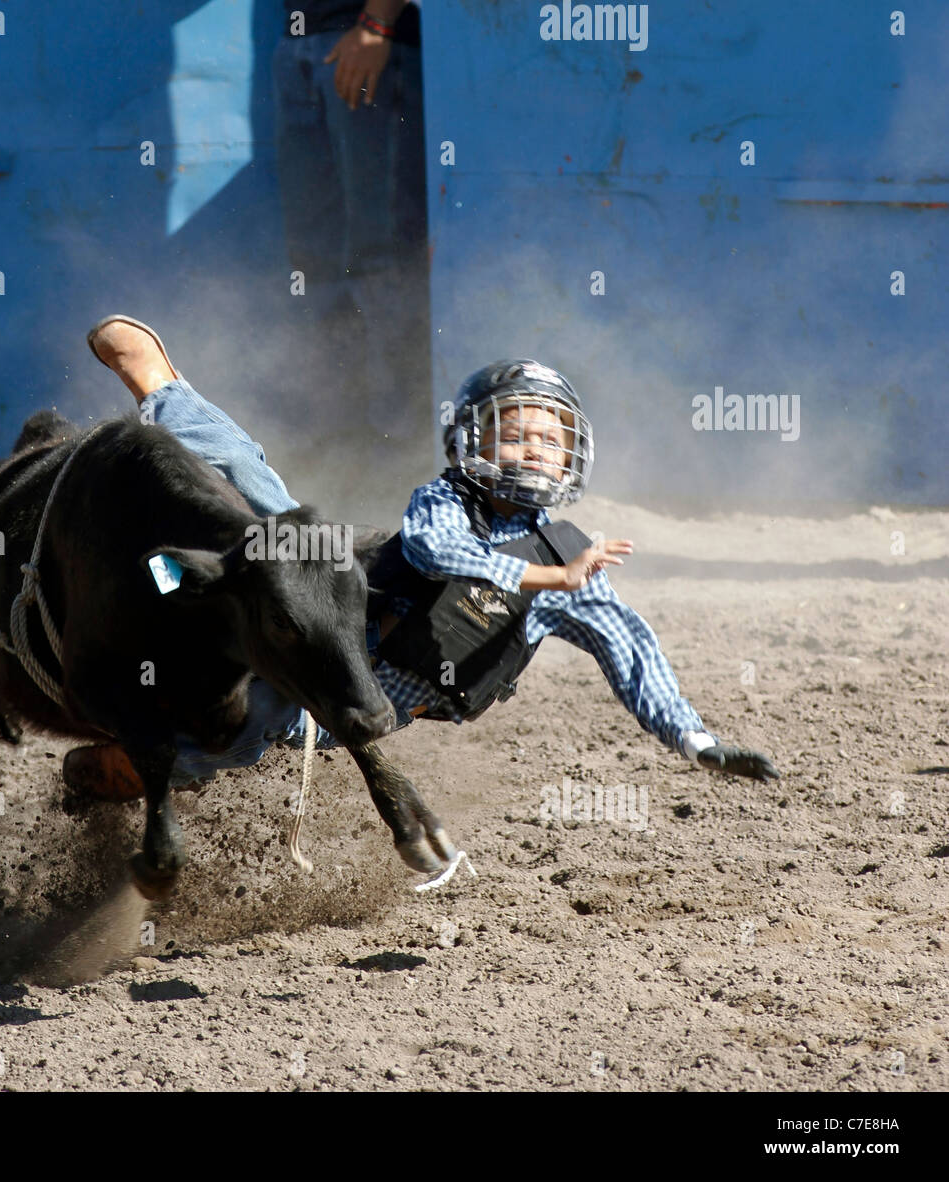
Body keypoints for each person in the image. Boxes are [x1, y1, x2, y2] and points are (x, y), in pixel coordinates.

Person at [62, 316, 779, 801]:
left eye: (549, 438)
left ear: (574, 455)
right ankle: (162, 386)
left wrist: (696, 739)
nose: (533, 447)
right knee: (251, 479)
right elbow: (437, 552)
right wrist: (541, 578)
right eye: (513, 431)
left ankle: (133, 768)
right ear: (470, 440)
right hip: (324, 596)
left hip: (346, 699)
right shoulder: (447, 502)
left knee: (243, 734)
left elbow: (633, 651)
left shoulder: (570, 564)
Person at [271, 2, 430, 445]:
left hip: (369, 37)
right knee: (314, 259)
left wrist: (378, 21)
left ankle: (399, 442)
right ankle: (341, 437)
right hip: (298, 42)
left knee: (381, 253)